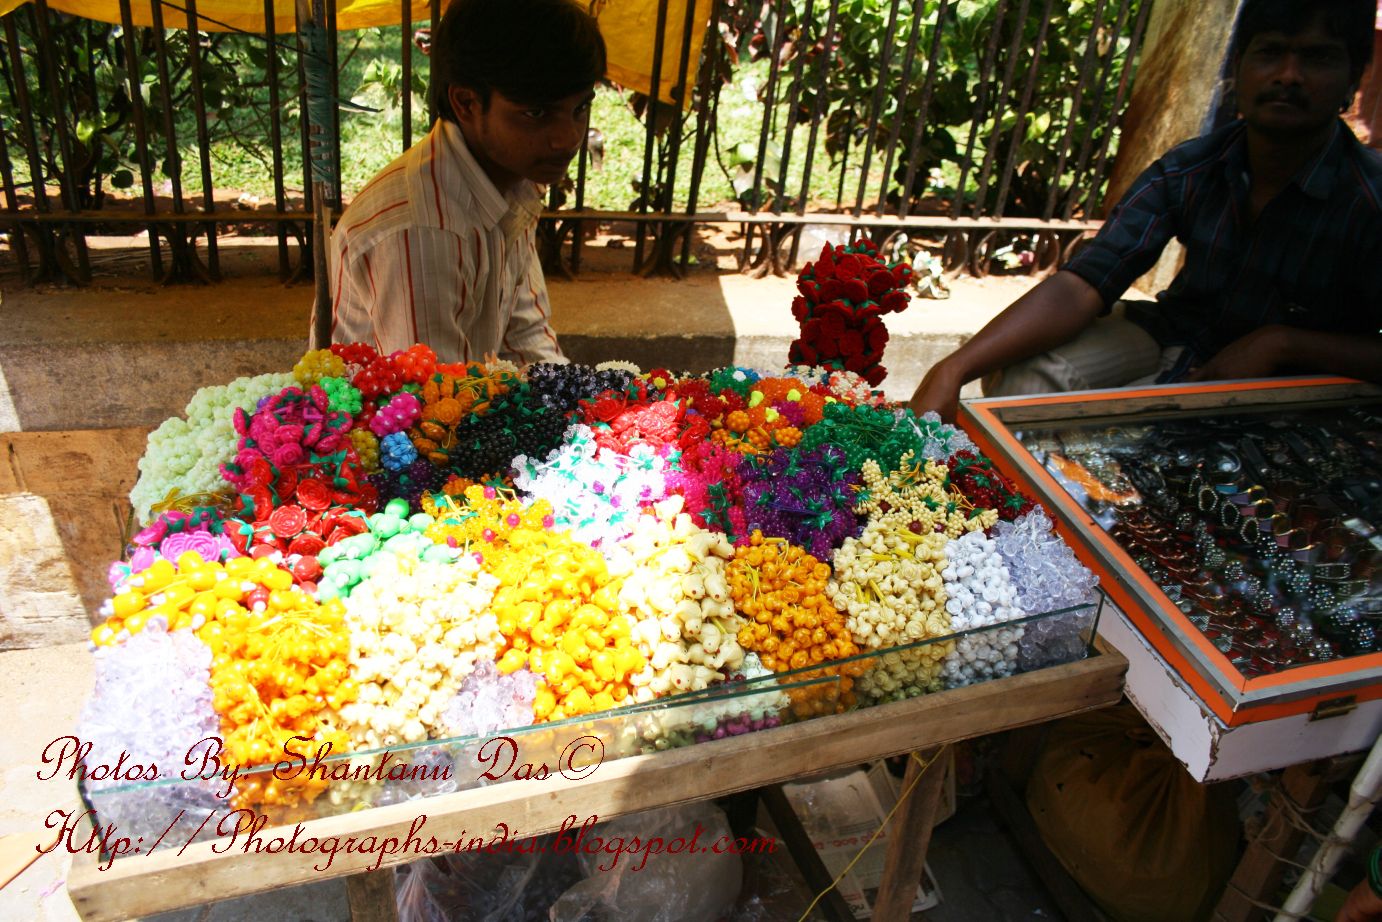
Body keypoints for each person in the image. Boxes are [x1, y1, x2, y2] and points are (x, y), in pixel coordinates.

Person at [910, 0, 1382, 423]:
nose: (1288, 75)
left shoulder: (1370, 200)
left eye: (1316, 58)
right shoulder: (1192, 166)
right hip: (1179, 337)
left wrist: (1283, 343)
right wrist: (954, 367)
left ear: (1353, 79)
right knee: (1028, 380)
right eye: (1270, 52)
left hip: (1304, 389)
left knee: (1119, 439)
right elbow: (1086, 282)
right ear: (1239, 66)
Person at [318, 0, 605, 364]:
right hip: (412, 413)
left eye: (579, 109)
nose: (567, 138)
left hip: (470, 400)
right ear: (466, 102)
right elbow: (434, 402)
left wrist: (576, 413)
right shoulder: (423, 229)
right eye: (536, 113)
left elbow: (526, 338)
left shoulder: (515, 179)